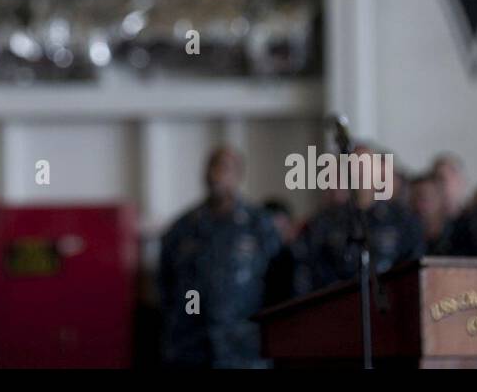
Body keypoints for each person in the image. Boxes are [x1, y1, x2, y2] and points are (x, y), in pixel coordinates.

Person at [158, 147, 283, 368]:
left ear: (238, 175)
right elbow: (167, 285)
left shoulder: (259, 225)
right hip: (191, 347)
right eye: (211, 167)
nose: (216, 175)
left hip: (244, 348)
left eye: (224, 168)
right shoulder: (183, 228)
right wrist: (190, 312)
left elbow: (278, 283)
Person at [289, 145, 426, 297]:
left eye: (366, 167)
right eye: (354, 167)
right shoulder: (325, 222)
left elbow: (414, 271)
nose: (360, 174)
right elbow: (307, 272)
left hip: (388, 305)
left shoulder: (402, 221)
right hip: (336, 305)